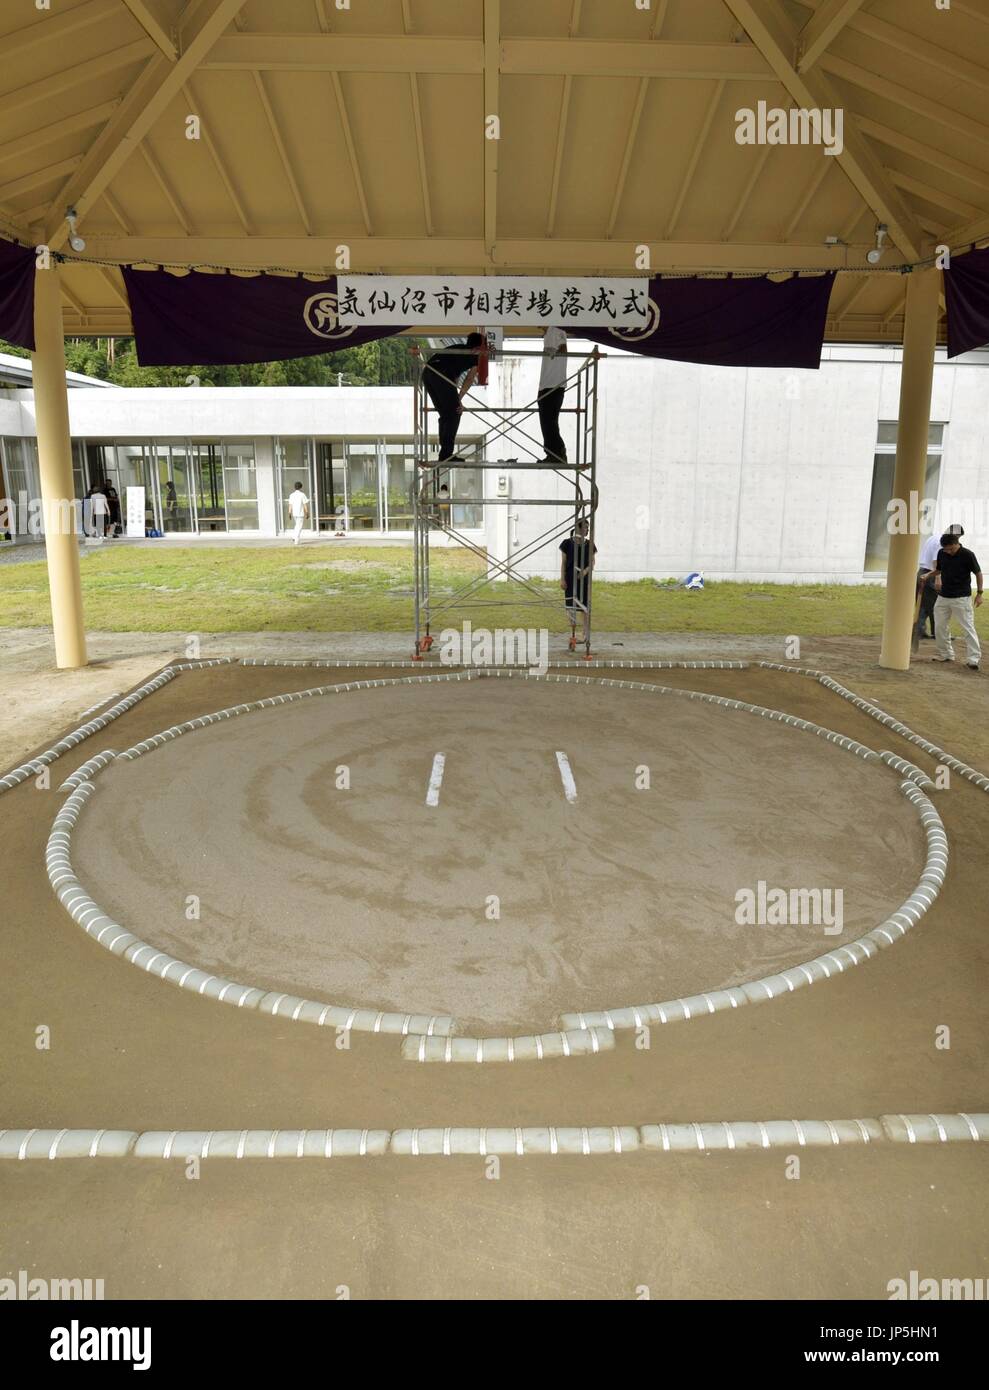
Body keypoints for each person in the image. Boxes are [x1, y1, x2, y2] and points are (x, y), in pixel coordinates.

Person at [922, 531, 983, 670]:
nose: (948, 552)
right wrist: (928, 574)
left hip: (961, 598)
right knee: (939, 627)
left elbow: (978, 573)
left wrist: (979, 593)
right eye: (946, 549)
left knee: (967, 628)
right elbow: (939, 570)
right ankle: (946, 654)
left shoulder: (968, 554)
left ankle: (973, 659)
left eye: (951, 549)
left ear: (957, 544)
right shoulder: (942, 553)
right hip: (943, 597)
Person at [422, 333, 484, 462]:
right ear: (478, 347)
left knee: (446, 414)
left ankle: (444, 452)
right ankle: (446, 454)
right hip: (441, 374)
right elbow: (470, 378)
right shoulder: (474, 356)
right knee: (455, 413)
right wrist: (458, 400)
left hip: (428, 373)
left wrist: (456, 399)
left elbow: (454, 379)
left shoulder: (458, 349)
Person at [917, 523, 964, 642]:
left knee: (924, 605)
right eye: (957, 538)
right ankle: (938, 633)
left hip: (922, 572)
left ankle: (919, 631)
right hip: (931, 574)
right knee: (936, 606)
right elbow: (936, 561)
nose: (956, 541)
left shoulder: (934, 537)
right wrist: (938, 578)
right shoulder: (941, 542)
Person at [559, 517, 596, 647]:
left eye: (588, 528)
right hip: (570, 579)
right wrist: (562, 579)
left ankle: (585, 634)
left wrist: (584, 572)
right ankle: (574, 633)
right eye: (585, 527)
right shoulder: (566, 543)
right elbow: (563, 563)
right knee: (570, 607)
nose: (587, 530)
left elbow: (592, 563)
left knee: (585, 608)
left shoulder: (590, 544)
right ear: (578, 528)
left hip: (584, 581)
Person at [538, 326, 568, 463]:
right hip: (551, 384)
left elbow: (563, 346)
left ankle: (557, 453)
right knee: (549, 422)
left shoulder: (554, 331)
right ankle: (553, 453)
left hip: (552, 385)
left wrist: (557, 351)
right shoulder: (550, 333)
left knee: (548, 422)